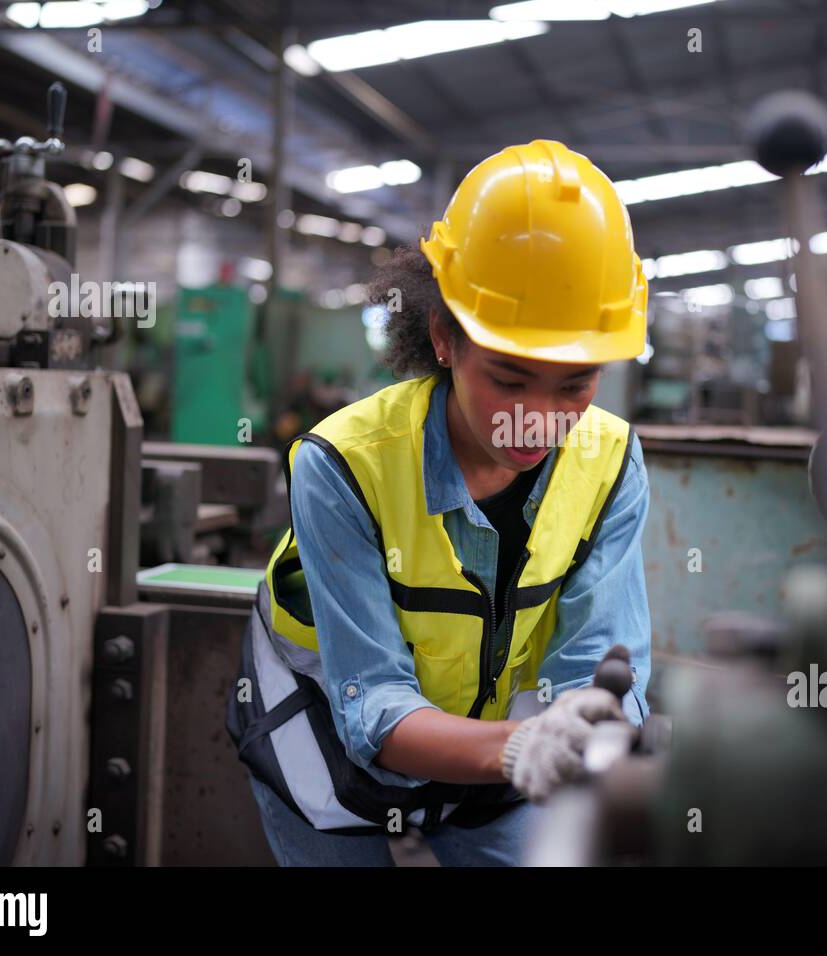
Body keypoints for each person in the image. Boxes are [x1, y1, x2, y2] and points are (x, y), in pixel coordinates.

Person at [227, 139, 652, 866]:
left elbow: (596, 665)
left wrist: (587, 726)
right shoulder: (343, 465)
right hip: (329, 760)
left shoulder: (611, 463)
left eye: (575, 385)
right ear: (445, 338)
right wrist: (520, 744)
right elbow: (374, 709)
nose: (540, 419)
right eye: (512, 380)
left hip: (503, 771)